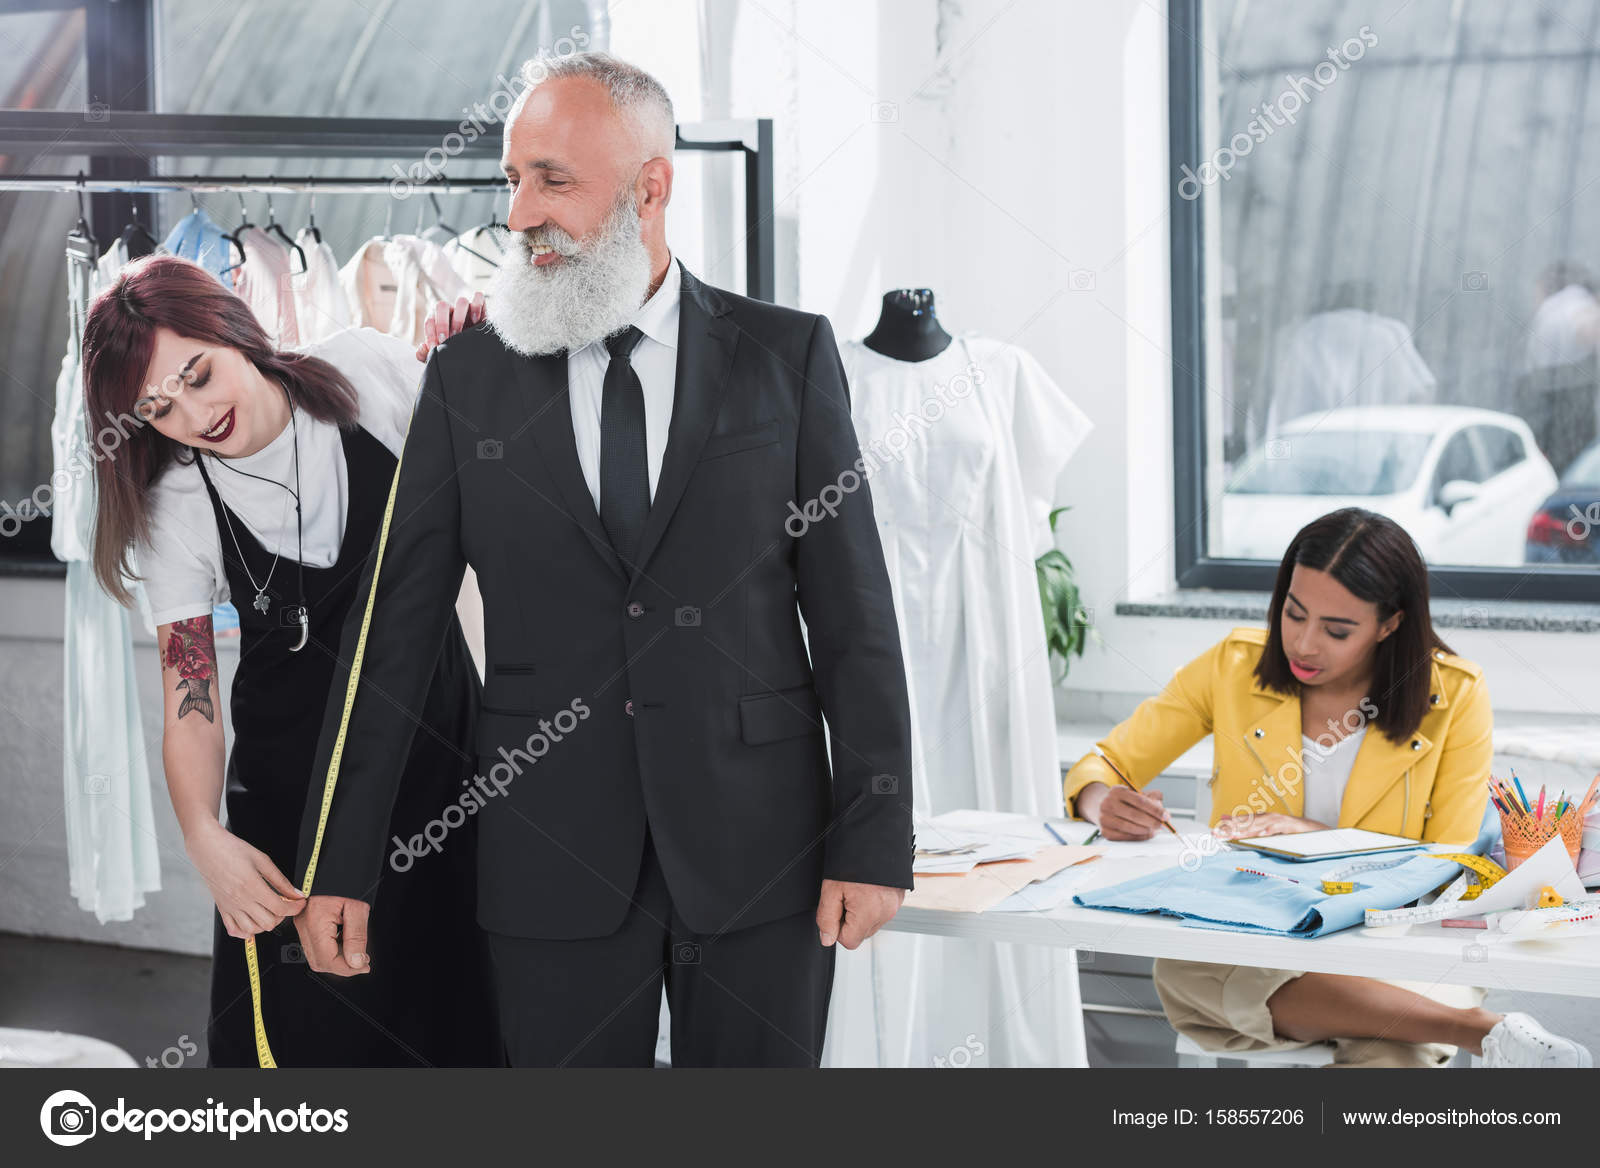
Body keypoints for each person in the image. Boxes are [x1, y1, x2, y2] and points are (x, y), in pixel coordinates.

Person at [293, 51, 915, 1068]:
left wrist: (874, 836)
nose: (518, 210)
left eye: (551, 179)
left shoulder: (787, 358)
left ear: (652, 187)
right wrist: (340, 862)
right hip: (549, 847)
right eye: (511, 178)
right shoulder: (465, 379)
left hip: (762, 845)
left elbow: (855, 621)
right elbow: (392, 632)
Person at [81, 255, 497, 1066]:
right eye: (158, 408)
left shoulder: (366, 372)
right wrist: (203, 835)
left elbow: (503, 460)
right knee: (312, 1047)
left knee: (460, 1027)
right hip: (292, 809)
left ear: (234, 328)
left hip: (441, 769)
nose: (194, 415)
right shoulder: (177, 505)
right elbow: (189, 698)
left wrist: (481, 346)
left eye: (197, 375)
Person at [1063, 508, 1592, 1068]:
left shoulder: (1453, 695)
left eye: (1337, 630)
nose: (1304, 644)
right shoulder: (1233, 667)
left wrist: (1320, 836)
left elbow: (1448, 861)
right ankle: (1476, 1030)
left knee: (1391, 1051)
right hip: (1254, 929)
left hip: (1391, 940)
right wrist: (1101, 802)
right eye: (1294, 613)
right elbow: (1106, 762)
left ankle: (1439, 1024)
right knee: (1186, 969)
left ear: (1390, 623)